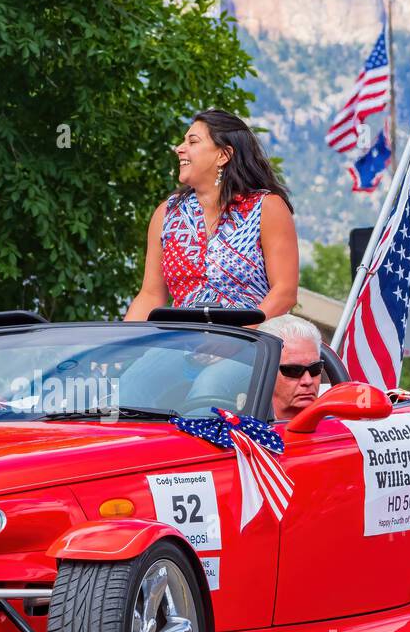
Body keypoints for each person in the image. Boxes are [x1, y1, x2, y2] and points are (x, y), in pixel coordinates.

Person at [125, 108, 298, 321]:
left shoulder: (267, 207)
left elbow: (284, 293)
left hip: (253, 344)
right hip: (185, 344)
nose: (179, 149)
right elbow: (150, 295)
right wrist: (121, 349)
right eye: (183, 142)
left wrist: (237, 341)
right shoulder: (166, 214)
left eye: (193, 141)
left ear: (223, 155)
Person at [258, 314, 323, 421]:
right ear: (264, 372)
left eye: (315, 369)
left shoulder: (336, 423)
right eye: (294, 370)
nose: (308, 381)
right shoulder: (236, 425)